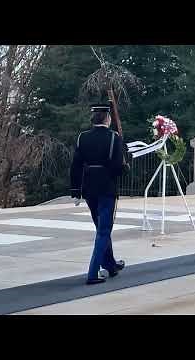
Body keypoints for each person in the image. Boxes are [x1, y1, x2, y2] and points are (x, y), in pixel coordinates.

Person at [70, 104, 129, 285]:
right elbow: (117, 168)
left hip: (88, 188)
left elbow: (76, 165)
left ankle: (110, 265)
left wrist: (75, 190)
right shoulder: (113, 138)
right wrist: (126, 164)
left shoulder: (83, 137)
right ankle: (93, 272)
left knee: (102, 228)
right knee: (104, 230)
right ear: (107, 119)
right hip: (106, 188)